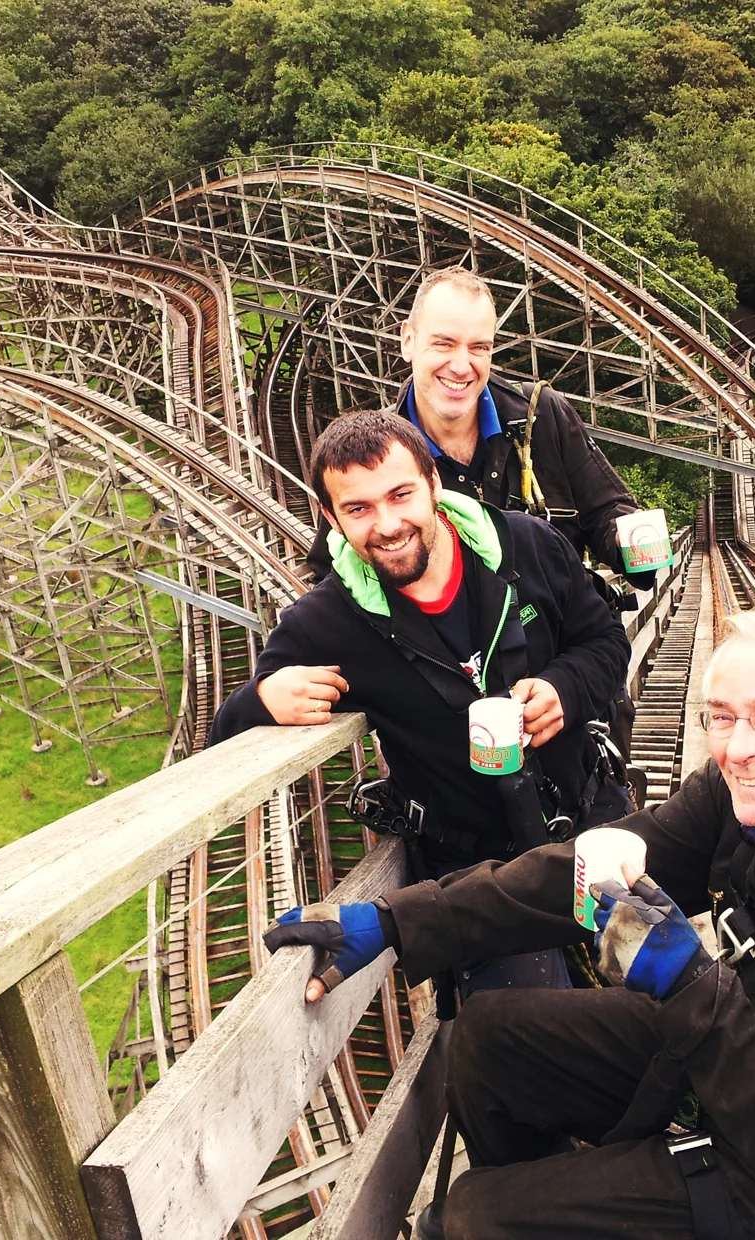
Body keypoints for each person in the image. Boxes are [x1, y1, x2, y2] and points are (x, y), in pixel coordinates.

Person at [263, 594, 755, 1240]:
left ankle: (531, 1215)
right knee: (489, 1041)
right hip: (751, 1057)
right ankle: (565, 1203)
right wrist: (399, 922)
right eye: (721, 717)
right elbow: (582, 873)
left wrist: (693, 985)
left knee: (475, 1216)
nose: (738, 748)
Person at [211, 410, 634, 994]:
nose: (386, 524)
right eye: (358, 509)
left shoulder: (527, 545)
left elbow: (607, 642)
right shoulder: (325, 622)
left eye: (401, 494)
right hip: (476, 879)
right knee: (540, 1060)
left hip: (590, 826)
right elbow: (223, 743)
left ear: (434, 484)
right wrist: (258, 699)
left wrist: (567, 686)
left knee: (657, 1019)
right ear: (331, 519)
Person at [305, 267, 655, 590]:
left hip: (563, 635)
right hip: (451, 653)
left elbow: (607, 513)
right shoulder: (374, 450)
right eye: (443, 343)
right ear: (408, 340)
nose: (461, 366)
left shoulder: (541, 413)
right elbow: (329, 575)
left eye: (479, 348)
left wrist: (640, 545)